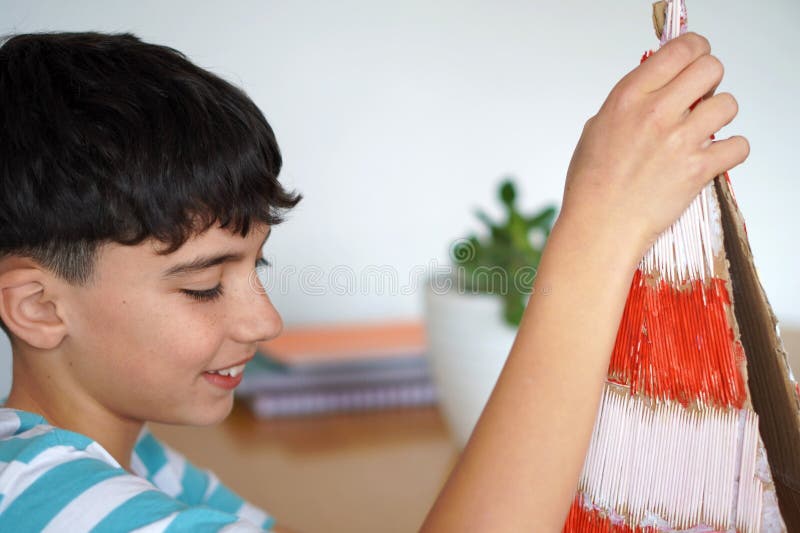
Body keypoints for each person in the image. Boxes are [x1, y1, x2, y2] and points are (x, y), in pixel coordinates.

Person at [0, 30, 747, 532]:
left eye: (255, 264)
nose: (264, 321)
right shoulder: (56, 504)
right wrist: (598, 229)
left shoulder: (140, 462)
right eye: (203, 286)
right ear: (37, 304)